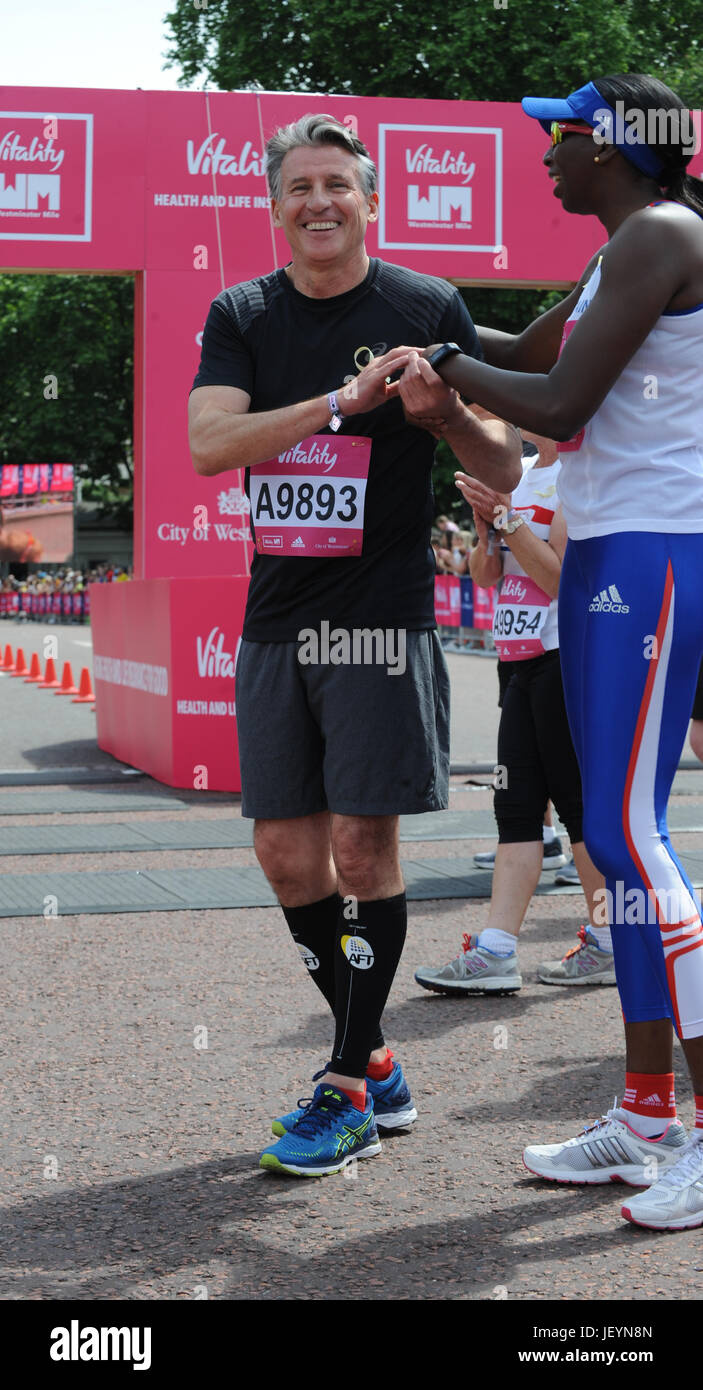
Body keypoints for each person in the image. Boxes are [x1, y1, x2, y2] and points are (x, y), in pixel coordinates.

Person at [393, 74, 703, 1230]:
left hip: (653, 555)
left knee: (629, 838)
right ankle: (645, 1113)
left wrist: (442, 367)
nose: (542, 155)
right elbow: (508, 346)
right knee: (619, 844)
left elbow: (557, 403)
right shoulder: (623, 249)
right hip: (616, 553)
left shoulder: (662, 233)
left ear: (610, 146)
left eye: (556, 136)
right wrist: (407, 313)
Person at [188, 113, 522, 1178]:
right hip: (276, 619)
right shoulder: (242, 313)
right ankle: (374, 1053)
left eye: (337, 184)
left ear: (370, 202)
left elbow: (503, 465)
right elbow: (208, 443)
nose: (319, 202)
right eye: (299, 187)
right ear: (275, 208)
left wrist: (440, 419)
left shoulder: (425, 307)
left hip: (380, 618)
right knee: (286, 856)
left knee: (364, 853)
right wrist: (338, 401)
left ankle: (343, 1088)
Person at [415, 427, 610, 995]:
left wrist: (507, 519)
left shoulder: (580, 474)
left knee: (577, 808)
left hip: (563, 658)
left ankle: (610, 941)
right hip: (518, 661)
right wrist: (486, 535)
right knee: (516, 807)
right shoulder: (517, 474)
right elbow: (485, 576)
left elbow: (560, 578)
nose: (516, 411)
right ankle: (497, 951)